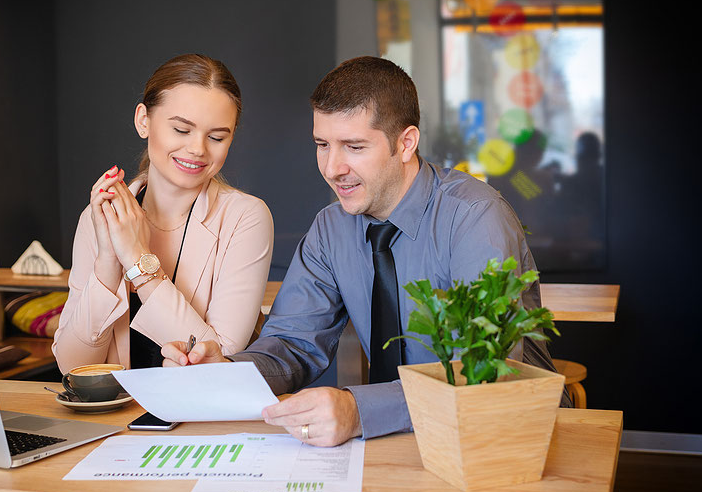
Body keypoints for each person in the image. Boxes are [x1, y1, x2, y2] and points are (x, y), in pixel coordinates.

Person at [162, 56, 570, 447]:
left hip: (509, 436)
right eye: (322, 144)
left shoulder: (475, 218)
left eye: (354, 147)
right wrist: (227, 373)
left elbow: (484, 373)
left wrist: (360, 411)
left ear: (406, 142)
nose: (332, 167)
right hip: (394, 440)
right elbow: (292, 344)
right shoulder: (331, 228)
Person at [53, 53, 274, 377]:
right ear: (143, 120)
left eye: (216, 137)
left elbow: (220, 363)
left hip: (202, 422)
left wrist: (138, 259)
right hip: (117, 421)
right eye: (181, 129)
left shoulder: (246, 218)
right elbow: (71, 366)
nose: (198, 149)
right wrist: (108, 263)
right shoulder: (99, 216)